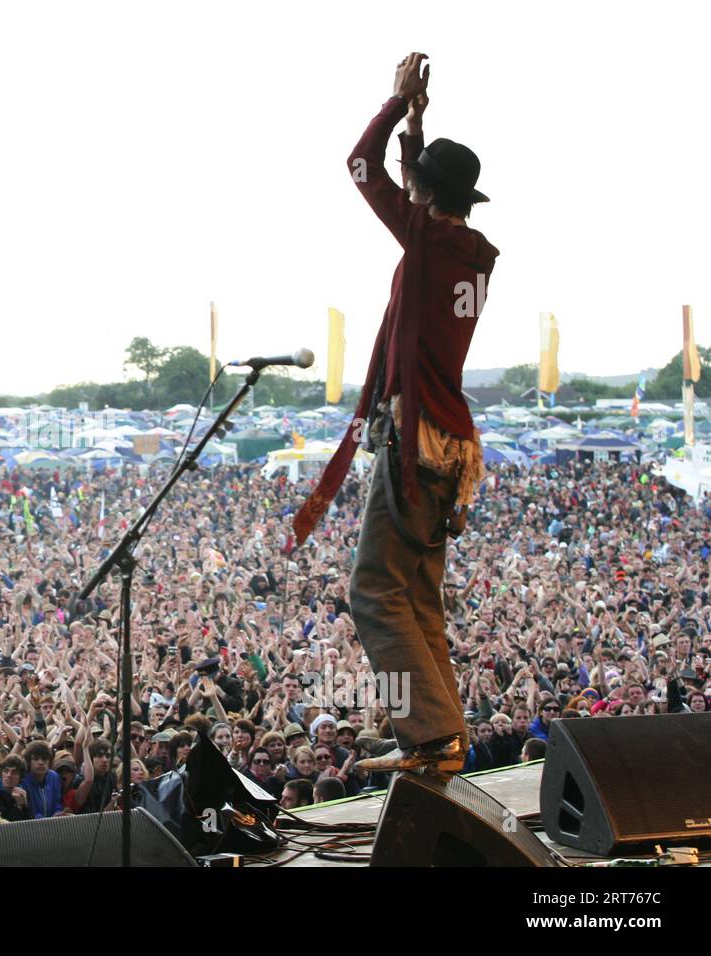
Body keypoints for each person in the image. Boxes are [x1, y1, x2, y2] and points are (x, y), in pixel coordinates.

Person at [295, 52, 498, 776]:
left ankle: (429, 736)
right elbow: (417, 193)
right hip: (452, 444)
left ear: (422, 193)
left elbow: (359, 164)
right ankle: (442, 734)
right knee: (417, 596)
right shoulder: (470, 250)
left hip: (415, 442)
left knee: (372, 591)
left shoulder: (426, 240)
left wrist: (391, 107)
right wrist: (418, 129)